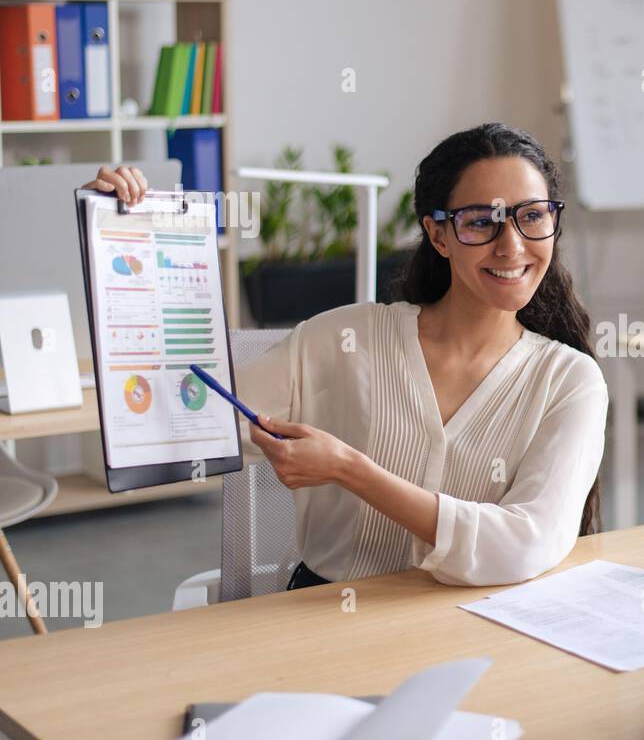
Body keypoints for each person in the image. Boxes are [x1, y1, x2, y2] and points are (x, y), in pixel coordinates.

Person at [85, 122, 607, 588]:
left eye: (532, 217)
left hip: (479, 633)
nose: (512, 246)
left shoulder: (570, 381)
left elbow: (525, 544)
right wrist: (119, 241)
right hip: (327, 624)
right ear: (438, 234)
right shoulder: (343, 339)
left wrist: (349, 469)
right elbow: (175, 415)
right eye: (481, 222)